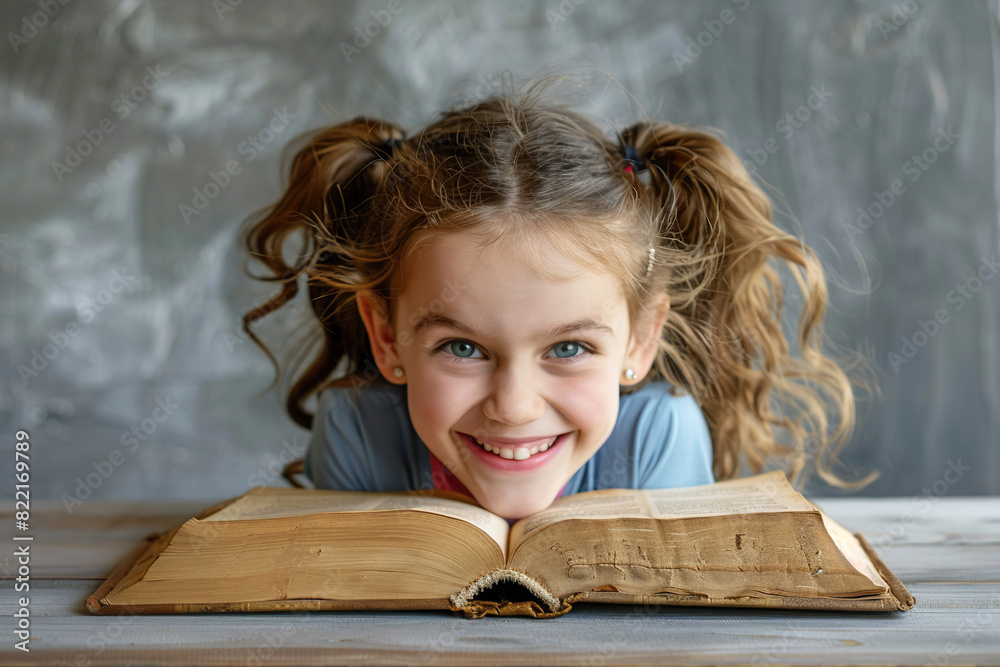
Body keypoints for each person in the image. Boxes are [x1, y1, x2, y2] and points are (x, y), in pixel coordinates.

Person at [239, 78, 877, 522]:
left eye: (568, 347)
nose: (513, 408)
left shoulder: (658, 438)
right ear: (385, 336)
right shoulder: (355, 435)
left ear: (640, 341)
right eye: (461, 347)